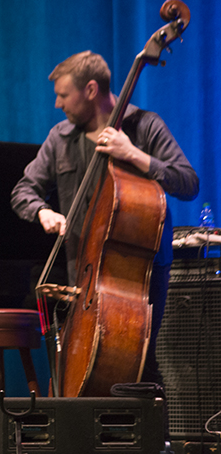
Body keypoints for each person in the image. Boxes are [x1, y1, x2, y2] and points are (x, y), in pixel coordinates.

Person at [10, 50, 199, 389]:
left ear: (92, 90)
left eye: (63, 95)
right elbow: (24, 190)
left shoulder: (145, 127)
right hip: (83, 272)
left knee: (141, 363)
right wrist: (43, 211)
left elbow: (188, 183)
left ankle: (154, 441)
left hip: (140, 273)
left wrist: (135, 155)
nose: (57, 104)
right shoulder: (60, 138)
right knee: (79, 368)